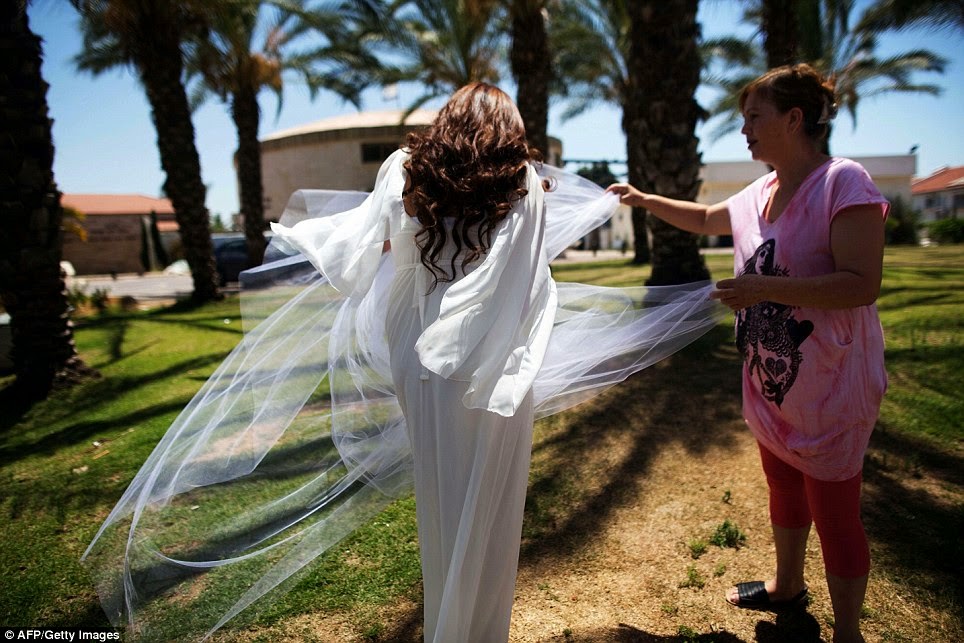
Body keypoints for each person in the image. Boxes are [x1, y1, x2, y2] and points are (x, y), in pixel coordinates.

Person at [83, 83, 724, 642]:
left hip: (413, 346)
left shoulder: (403, 168)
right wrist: (461, 333)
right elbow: (520, 279)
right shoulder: (521, 183)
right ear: (508, 132)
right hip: (488, 356)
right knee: (488, 502)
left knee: (438, 496)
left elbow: (365, 250)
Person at [608, 64, 888, 643]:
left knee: (836, 512)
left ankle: (849, 634)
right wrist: (643, 199)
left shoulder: (844, 181)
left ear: (794, 118)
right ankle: (787, 587)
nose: (744, 131)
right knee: (783, 485)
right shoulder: (762, 189)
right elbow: (708, 218)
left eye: (754, 118)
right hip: (774, 383)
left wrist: (764, 289)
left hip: (834, 385)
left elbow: (861, 284)